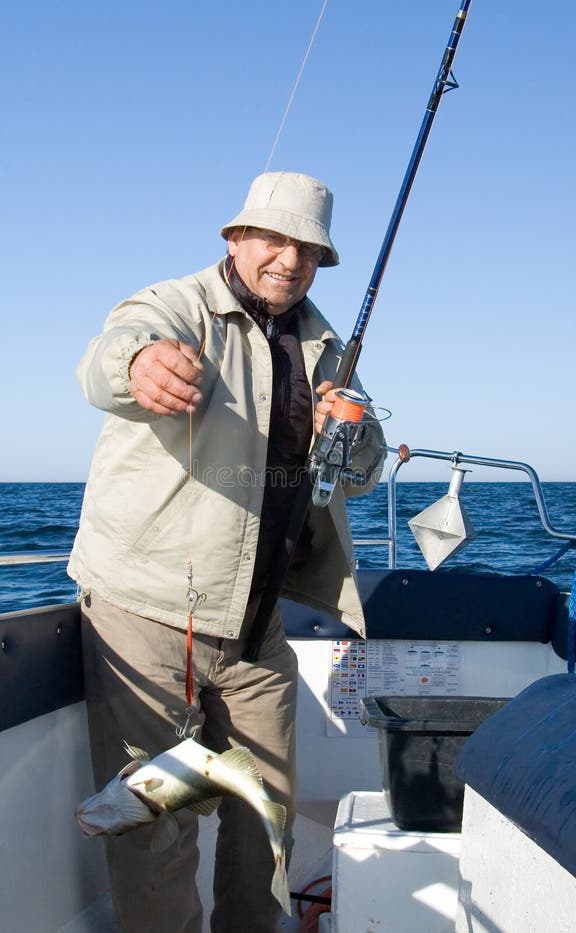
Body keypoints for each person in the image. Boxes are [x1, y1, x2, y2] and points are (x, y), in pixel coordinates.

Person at [69, 171, 384, 933]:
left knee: (266, 811)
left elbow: (365, 472)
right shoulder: (175, 304)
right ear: (236, 239)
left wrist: (359, 433)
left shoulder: (327, 347)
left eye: (308, 249)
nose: (290, 259)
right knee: (152, 825)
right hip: (144, 616)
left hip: (257, 622)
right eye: (274, 238)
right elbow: (106, 359)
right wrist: (137, 367)